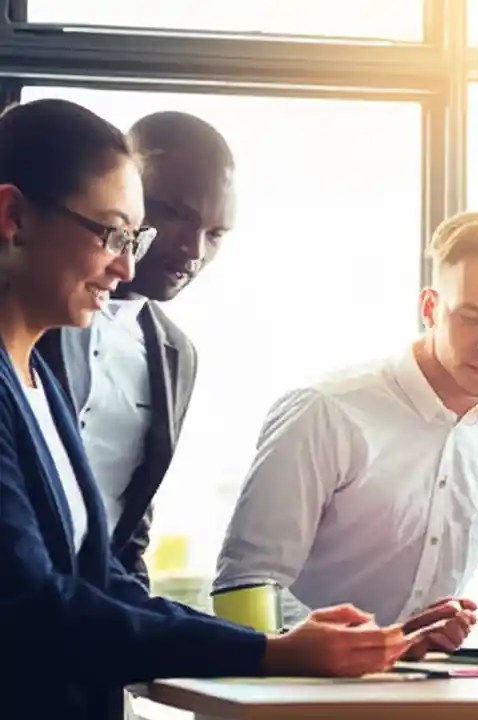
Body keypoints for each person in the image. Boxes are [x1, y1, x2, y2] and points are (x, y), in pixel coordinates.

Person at [0, 98, 428, 720]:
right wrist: (268, 656)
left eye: (133, 238)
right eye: (112, 233)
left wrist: (273, 644)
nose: (127, 264)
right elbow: (36, 606)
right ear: (14, 215)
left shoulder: (35, 375)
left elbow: (102, 574)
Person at [216, 210, 478, 652]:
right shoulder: (326, 412)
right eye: (471, 317)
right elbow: (246, 587)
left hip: (429, 699)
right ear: (431, 308)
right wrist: (375, 647)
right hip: (296, 701)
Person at [36, 111, 236, 587]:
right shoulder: (27, 308)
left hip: (81, 627)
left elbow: (128, 539)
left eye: (216, 234)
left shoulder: (177, 355)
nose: (193, 250)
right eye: (177, 214)